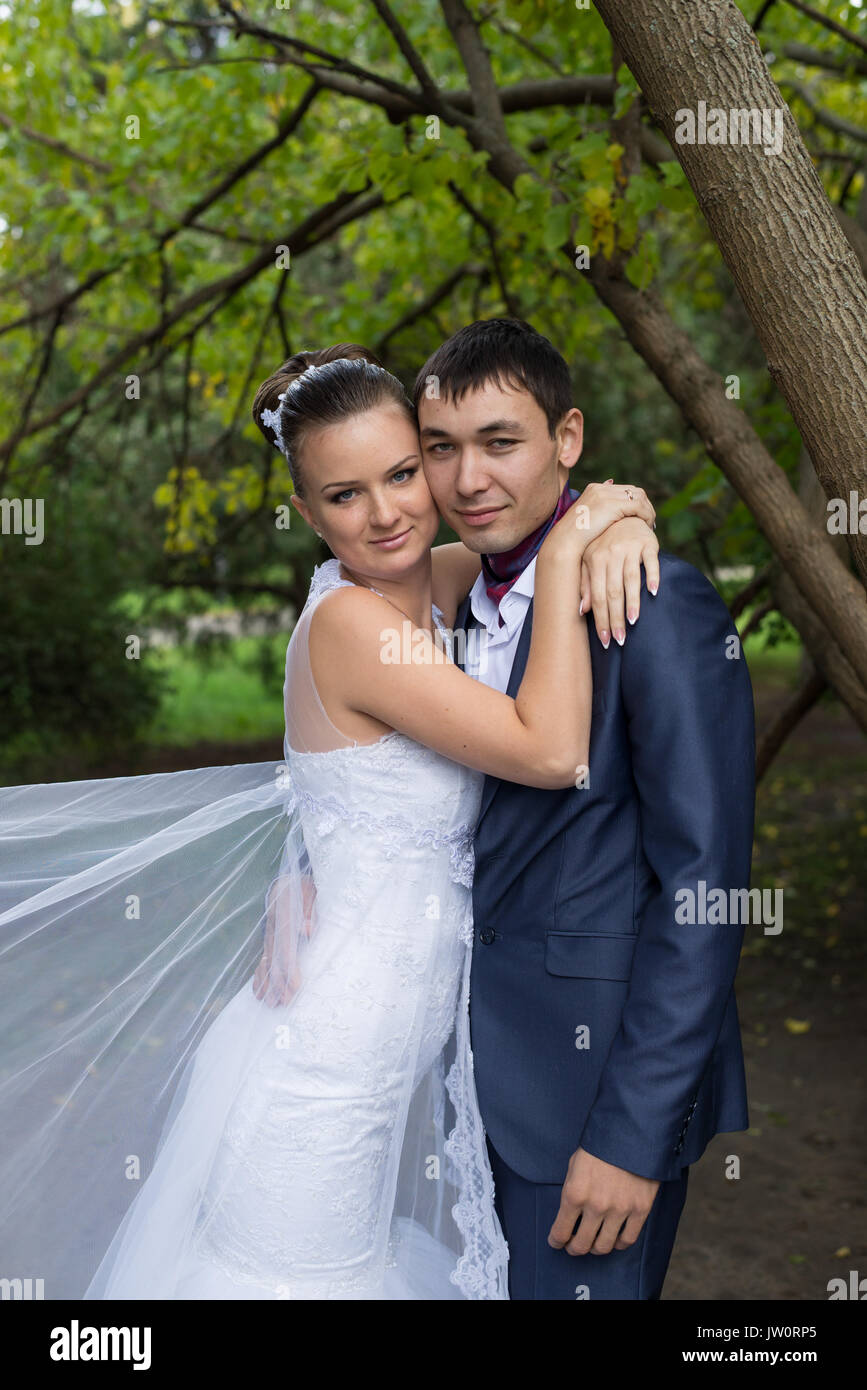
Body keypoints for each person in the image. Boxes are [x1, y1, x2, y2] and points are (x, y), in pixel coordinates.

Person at [0, 343, 657, 1300]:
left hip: (370, 1073)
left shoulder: (429, 586)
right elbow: (550, 751)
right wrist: (570, 548)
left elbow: (344, 790)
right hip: (312, 1079)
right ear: (306, 513)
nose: (386, 510)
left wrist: (615, 507)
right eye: (346, 495)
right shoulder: (353, 624)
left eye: (401, 473)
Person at [408, 317, 756, 1300]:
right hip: (440, 1089)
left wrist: (632, 1137)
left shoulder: (652, 603)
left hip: (582, 1100)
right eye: (442, 448)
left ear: (566, 440)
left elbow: (707, 888)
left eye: (500, 441)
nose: (468, 478)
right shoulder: (430, 609)